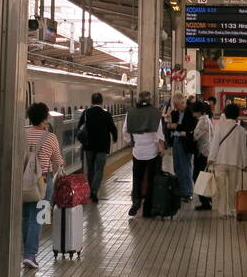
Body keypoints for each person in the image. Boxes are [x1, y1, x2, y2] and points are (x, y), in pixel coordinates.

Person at [23, 101, 64, 270]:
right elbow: (57, 161)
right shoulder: (50, 137)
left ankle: (26, 252)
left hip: (24, 180)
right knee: (39, 217)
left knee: (26, 216)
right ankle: (30, 254)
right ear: (44, 119)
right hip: (43, 181)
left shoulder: (23, 134)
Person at [123, 90, 164, 218]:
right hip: (152, 152)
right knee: (151, 181)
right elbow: (159, 133)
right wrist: (161, 148)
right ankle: (147, 209)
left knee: (137, 178)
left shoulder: (131, 113)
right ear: (151, 99)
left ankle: (136, 201)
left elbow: (125, 131)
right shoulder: (155, 112)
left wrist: (131, 141)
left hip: (137, 152)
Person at [206, 102, 247, 218]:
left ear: (225, 114)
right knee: (232, 188)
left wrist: (211, 158)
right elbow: (243, 149)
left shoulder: (219, 126)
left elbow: (215, 144)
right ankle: (231, 210)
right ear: (237, 116)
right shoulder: (240, 130)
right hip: (234, 162)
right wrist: (245, 164)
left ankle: (222, 211)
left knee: (221, 187)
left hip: (220, 161)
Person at [77, 92, 119, 203]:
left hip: (88, 145)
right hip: (102, 146)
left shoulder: (86, 113)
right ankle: (94, 191)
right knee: (99, 169)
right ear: (101, 102)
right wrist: (115, 138)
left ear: (92, 102)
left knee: (90, 169)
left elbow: (79, 128)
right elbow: (113, 128)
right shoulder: (106, 114)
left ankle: (90, 190)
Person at [163, 93, 195, 202]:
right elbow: (169, 126)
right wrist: (169, 122)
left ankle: (188, 192)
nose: (175, 107)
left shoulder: (190, 113)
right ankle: (180, 189)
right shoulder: (175, 112)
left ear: (183, 102)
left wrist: (176, 126)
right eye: (174, 105)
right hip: (176, 141)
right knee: (177, 167)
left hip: (185, 142)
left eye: (177, 105)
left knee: (185, 167)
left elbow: (189, 127)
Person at [191, 101, 215, 211]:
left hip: (202, 153)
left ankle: (205, 202)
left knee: (198, 177)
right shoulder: (208, 119)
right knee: (204, 176)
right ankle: (207, 199)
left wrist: (186, 133)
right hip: (207, 152)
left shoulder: (202, 121)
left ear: (198, 112)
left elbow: (195, 136)